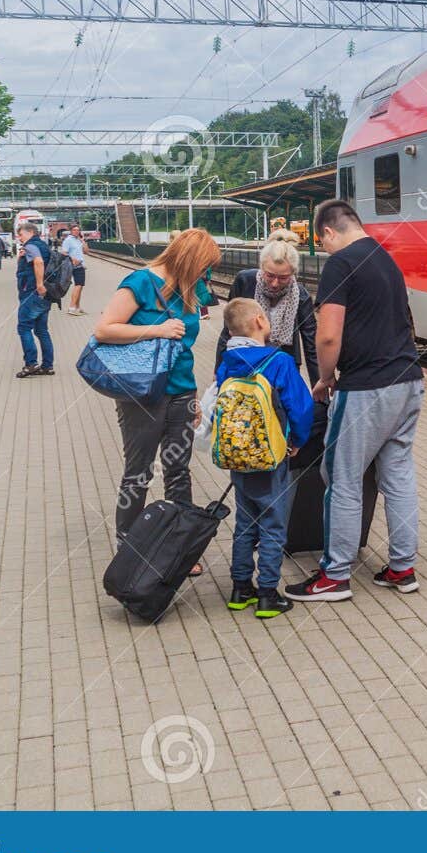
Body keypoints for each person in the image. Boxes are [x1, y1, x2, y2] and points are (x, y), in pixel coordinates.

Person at [286, 198, 424, 602]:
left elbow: (327, 335)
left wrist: (326, 378)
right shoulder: (386, 259)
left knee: (342, 477)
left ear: (328, 231)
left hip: (367, 387)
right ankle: (402, 568)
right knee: (397, 475)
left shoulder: (341, 263)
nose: (324, 249)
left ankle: (334, 575)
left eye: (321, 241)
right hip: (409, 381)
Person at [93, 228, 220, 560]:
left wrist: (194, 399)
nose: (206, 275)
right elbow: (105, 329)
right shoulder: (140, 283)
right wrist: (157, 329)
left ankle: (177, 549)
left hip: (181, 391)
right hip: (142, 394)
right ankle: (129, 548)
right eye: (203, 267)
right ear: (188, 259)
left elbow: (188, 347)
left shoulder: (192, 289)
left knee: (178, 469)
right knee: (140, 471)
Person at [217, 298, 314, 619]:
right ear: (259, 321)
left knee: (245, 524)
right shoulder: (280, 361)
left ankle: (240, 588)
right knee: (273, 526)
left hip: (239, 457)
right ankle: (268, 594)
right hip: (272, 457)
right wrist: (297, 440)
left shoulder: (227, 361)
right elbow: (300, 408)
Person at [212, 234, 318, 382]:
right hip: (244, 365)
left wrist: (320, 387)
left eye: (283, 278)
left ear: (293, 273)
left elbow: (311, 344)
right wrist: (218, 371)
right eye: (270, 275)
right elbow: (228, 330)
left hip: (283, 368)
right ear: (261, 267)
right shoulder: (245, 281)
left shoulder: (301, 295)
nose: (275, 283)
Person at [14, 223, 54, 379]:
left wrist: (39, 284)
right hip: (45, 296)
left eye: (21, 235)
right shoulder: (43, 245)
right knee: (41, 330)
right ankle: (48, 366)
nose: (20, 238)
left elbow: (38, 262)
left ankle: (31, 363)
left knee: (23, 327)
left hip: (32, 292)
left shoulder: (30, 246)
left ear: (30, 232)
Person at [61, 225, 88, 316]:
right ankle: (71, 308)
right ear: (71, 231)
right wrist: (72, 259)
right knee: (78, 285)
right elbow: (64, 252)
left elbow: (86, 251)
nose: (76, 231)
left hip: (80, 265)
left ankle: (77, 307)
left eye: (78, 230)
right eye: (74, 230)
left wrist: (83, 240)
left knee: (80, 286)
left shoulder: (78, 240)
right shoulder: (68, 240)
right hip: (73, 265)